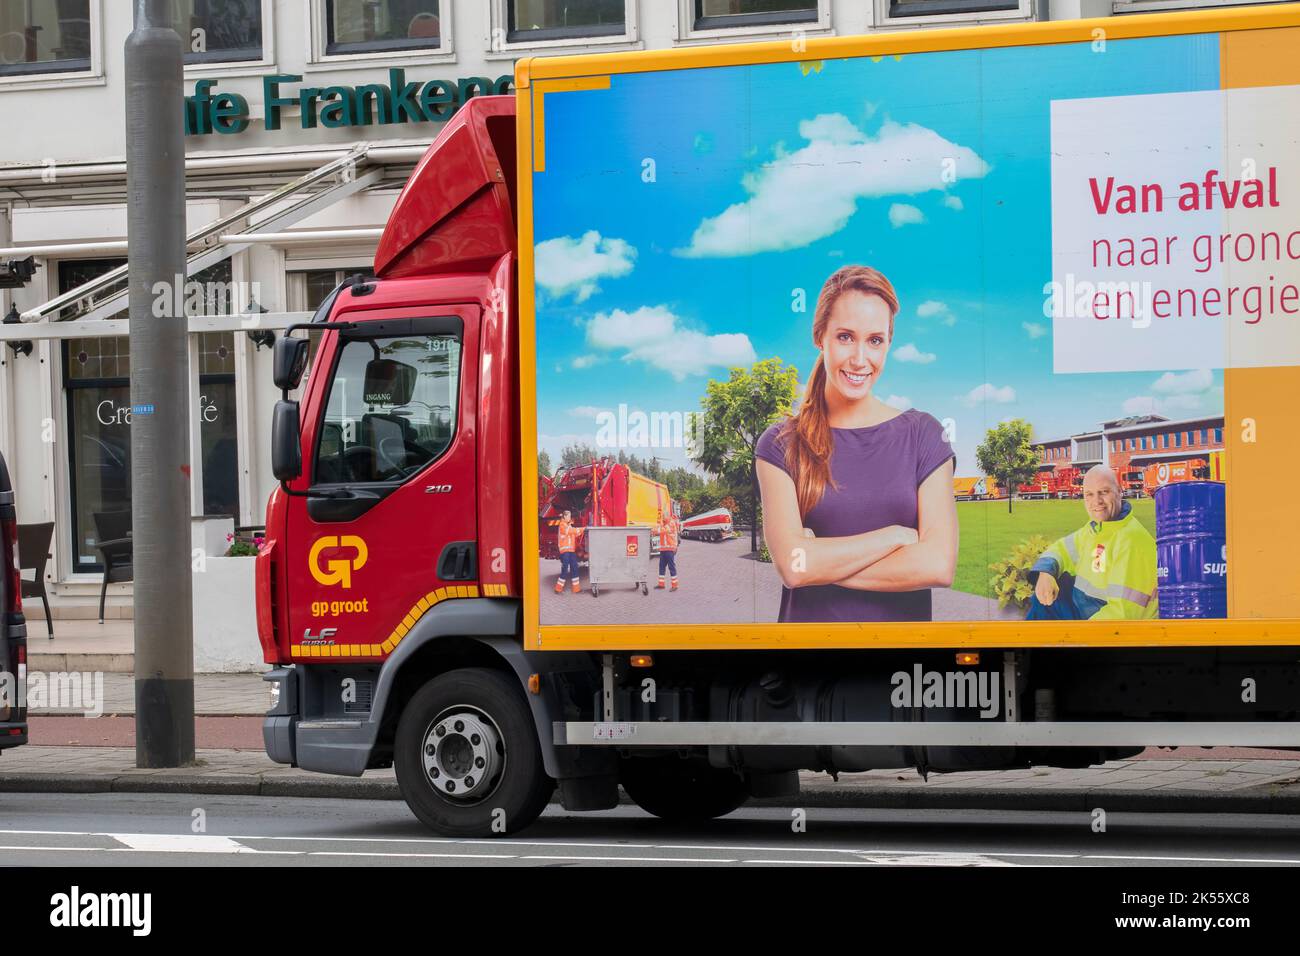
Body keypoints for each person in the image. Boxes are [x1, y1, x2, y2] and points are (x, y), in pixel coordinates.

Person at [756, 265, 958, 623]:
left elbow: (938, 565)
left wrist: (819, 559)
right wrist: (894, 537)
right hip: (807, 667)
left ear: (888, 345)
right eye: (845, 337)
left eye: (875, 341)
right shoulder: (780, 444)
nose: (860, 359)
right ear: (821, 337)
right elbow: (794, 566)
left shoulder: (925, 435)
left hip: (903, 673)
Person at [1027, 465, 1158, 620]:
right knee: (1042, 599)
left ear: (1119, 491)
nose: (1097, 501)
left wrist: (1077, 636)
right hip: (1083, 610)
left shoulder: (1130, 540)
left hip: (1108, 629)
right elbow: (1061, 549)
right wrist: (1046, 573)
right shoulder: (1097, 529)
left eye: (1104, 492)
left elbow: (1121, 616)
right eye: (1089, 494)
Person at [554, 510, 581, 594]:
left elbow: (575, 533)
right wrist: (582, 529)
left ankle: (576, 589)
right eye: (568, 516)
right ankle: (558, 589)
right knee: (565, 570)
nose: (570, 517)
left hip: (571, 551)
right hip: (565, 551)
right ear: (564, 516)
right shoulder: (562, 525)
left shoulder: (568, 525)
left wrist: (582, 531)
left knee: (574, 567)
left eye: (570, 516)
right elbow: (571, 531)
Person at [655, 508, 681, 591]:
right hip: (663, 549)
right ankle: (661, 584)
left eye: (663, 516)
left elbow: (662, 530)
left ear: (666, 516)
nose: (662, 518)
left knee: (671, 567)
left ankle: (675, 585)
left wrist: (656, 529)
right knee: (661, 566)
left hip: (670, 549)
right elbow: (657, 529)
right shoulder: (665, 523)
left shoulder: (671, 523)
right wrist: (657, 527)